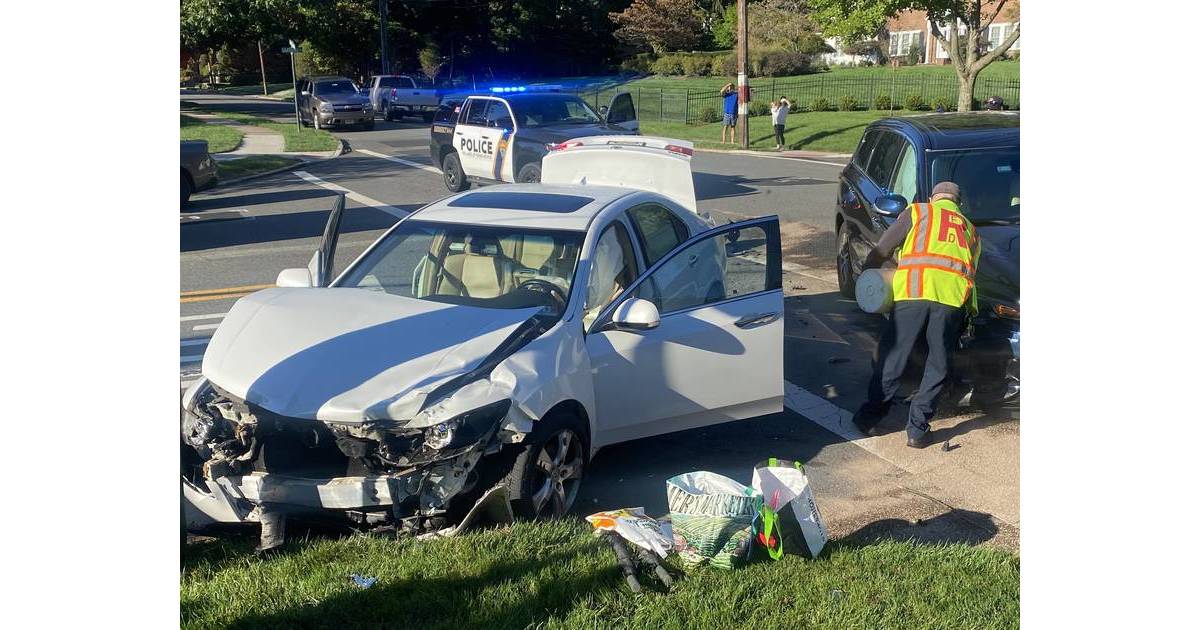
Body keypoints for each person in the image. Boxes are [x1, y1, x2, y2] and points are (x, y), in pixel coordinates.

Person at [852, 182, 981, 448]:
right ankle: (918, 429)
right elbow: (971, 273)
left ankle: (870, 418)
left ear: (934, 198)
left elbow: (884, 248)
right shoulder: (970, 230)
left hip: (913, 291)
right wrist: (969, 312)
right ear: (958, 203)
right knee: (938, 363)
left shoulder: (919, 212)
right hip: (950, 300)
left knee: (894, 356)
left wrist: (869, 271)